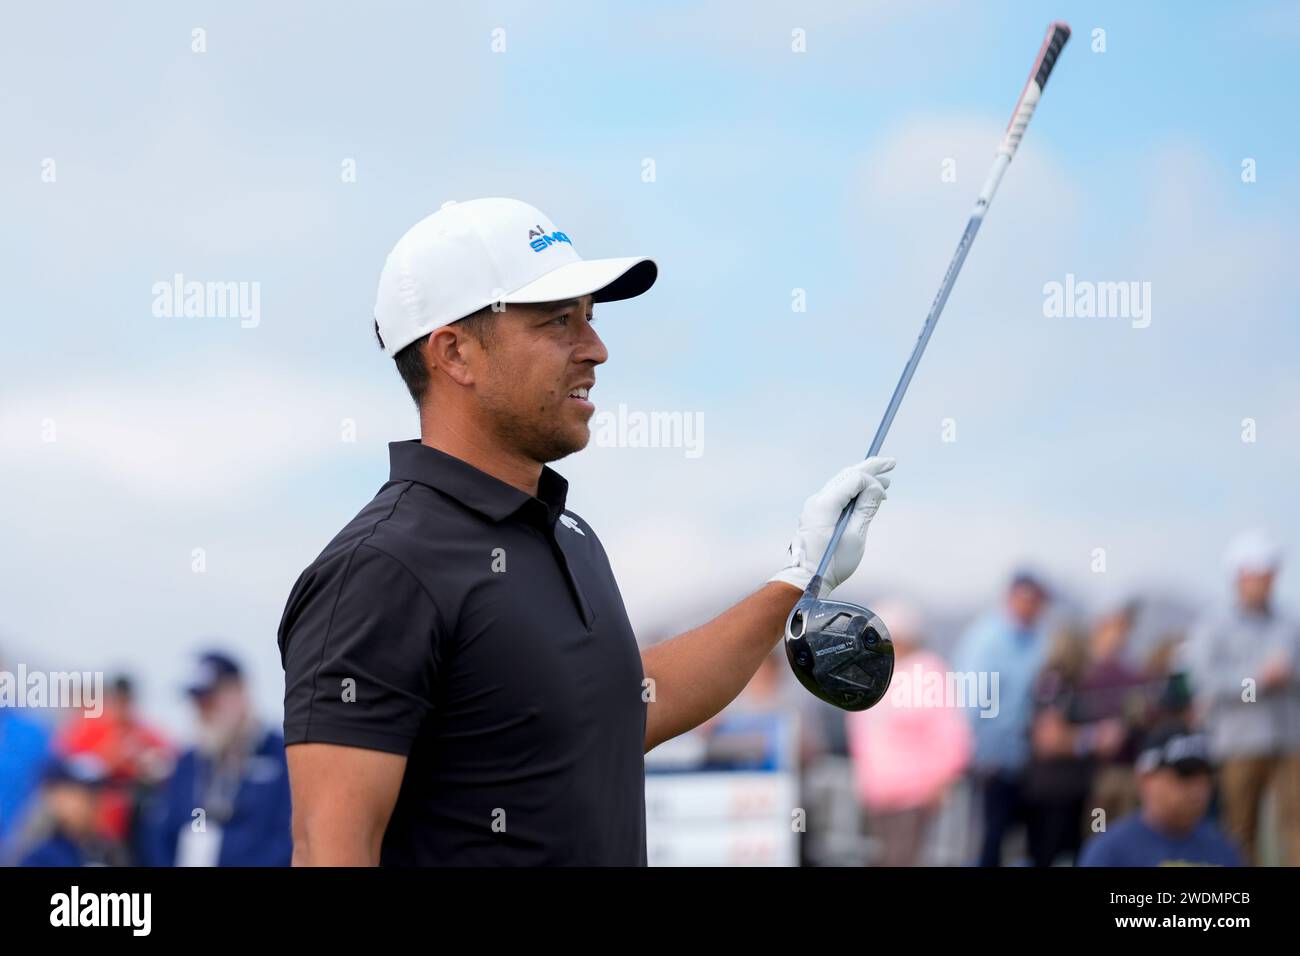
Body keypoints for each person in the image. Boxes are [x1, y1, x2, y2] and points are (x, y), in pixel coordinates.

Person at [278, 197, 898, 865]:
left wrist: (799, 575)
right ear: (455, 352)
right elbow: (329, 849)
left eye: (591, 320)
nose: (596, 350)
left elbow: (625, 707)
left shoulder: (569, 535)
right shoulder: (381, 569)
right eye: (558, 323)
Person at [1181, 530, 1300, 865]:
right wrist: (1258, 679)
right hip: (1238, 741)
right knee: (1240, 827)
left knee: (1295, 824)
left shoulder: (1290, 622)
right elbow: (1204, 680)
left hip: (1290, 737)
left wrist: (1287, 675)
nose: (1269, 581)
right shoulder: (1213, 624)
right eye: (1263, 574)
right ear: (1242, 576)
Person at [845, 599, 971, 866]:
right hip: (877, 796)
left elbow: (952, 734)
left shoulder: (928, 671)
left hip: (914, 795)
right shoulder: (869, 673)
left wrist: (940, 781)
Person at [142, 651, 292, 866]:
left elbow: (289, 838)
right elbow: (162, 834)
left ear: (241, 692)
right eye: (198, 702)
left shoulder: (279, 757)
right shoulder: (187, 764)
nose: (203, 711)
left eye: (211, 700)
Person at [952, 570, 1051, 866]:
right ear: (1011, 597)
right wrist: (975, 750)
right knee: (986, 841)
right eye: (1027, 599)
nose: (1032, 607)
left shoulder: (1038, 641)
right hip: (988, 760)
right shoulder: (987, 638)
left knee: (1022, 843)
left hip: (1024, 761)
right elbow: (971, 700)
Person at [1023, 626, 1124, 866]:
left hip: (1081, 792)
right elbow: (1048, 740)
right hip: (1053, 793)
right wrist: (1094, 738)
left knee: (1088, 848)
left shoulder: (1075, 685)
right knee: (1048, 857)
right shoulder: (1053, 682)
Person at [1078, 726, 1242, 867]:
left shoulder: (1223, 847)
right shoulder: (1110, 852)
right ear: (1145, 778)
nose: (1198, 789)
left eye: (1206, 777)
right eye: (1185, 775)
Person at [55, 673, 174, 857]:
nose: (121, 708)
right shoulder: (89, 728)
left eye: (125, 701)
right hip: (93, 820)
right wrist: (108, 758)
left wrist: (148, 765)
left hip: (134, 822)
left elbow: (170, 762)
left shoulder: (145, 733)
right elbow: (64, 767)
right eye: (117, 701)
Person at [13, 754, 125, 867]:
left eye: (96, 795)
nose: (92, 805)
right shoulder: (39, 854)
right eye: (82, 796)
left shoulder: (109, 849)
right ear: (56, 797)